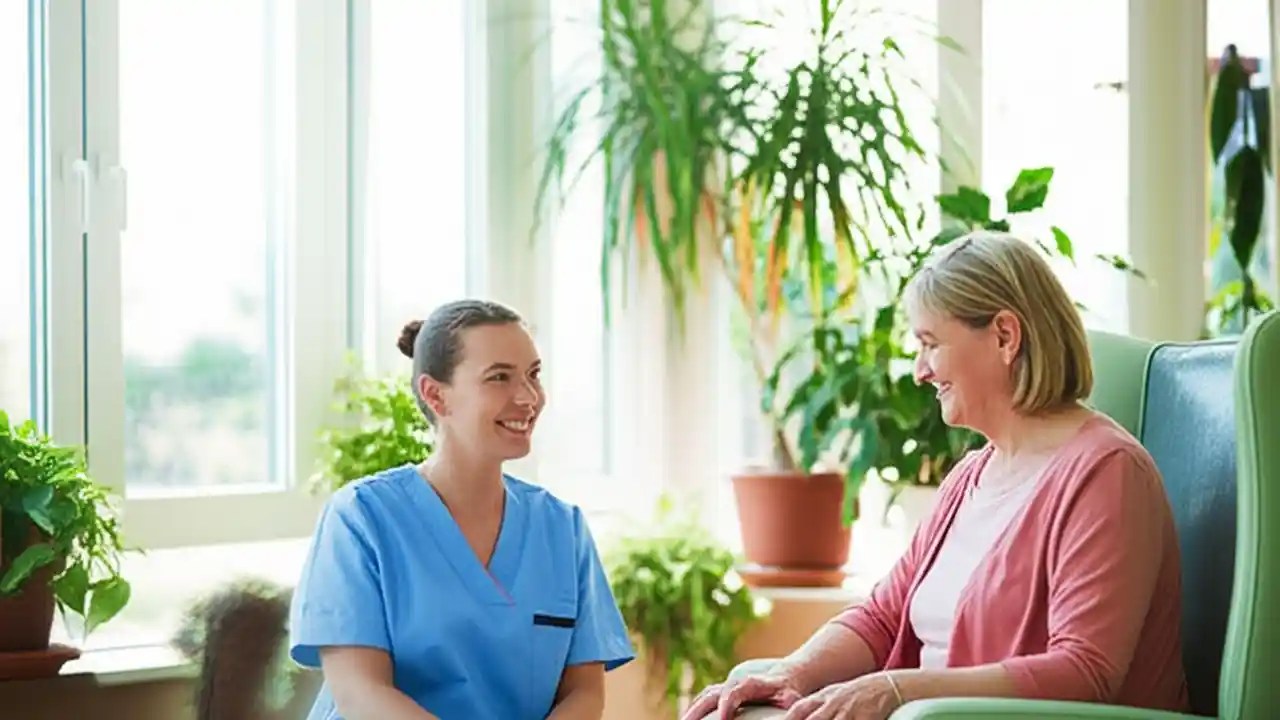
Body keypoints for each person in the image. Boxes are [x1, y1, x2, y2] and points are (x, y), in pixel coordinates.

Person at [682, 232, 1191, 720]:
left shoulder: (1107, 475)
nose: (919, 371)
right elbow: (882, 617)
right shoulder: (972, 474)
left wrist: (899, 691)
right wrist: (793, 672)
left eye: (931, 343)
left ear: (1005, 336)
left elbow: (1085, 673)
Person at [289, 299, 634, 720]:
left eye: (533, 375)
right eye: (499, 378)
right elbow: (361, 694)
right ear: (436, 395)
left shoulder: (562, 528)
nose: (527, 397)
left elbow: (584, 695)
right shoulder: (361, 518)